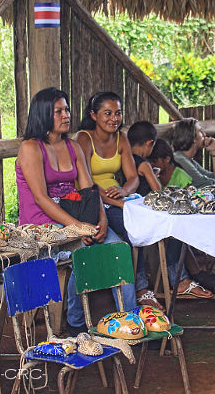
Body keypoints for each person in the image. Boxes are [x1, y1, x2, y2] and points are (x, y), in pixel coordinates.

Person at [15, 87, 135, 334]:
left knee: (118, 249)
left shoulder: (72, 147)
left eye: (67, 109)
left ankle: (130, 320)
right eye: (58, 111)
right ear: (43, 114)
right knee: (84, 251)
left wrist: (101, 220)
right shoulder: (30, 147)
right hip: (42, 224)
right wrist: (79, 228)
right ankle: (76, 323)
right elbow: (41, 198)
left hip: (76, 219)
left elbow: (90, 190)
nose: (66, 115)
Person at [76, 91, 158, 308]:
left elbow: (132, 178)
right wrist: (114, 201)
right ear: (93, 115)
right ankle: (138, 289)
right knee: (131, 231)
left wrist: (123, 191)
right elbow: (84, 180)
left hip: (116, 197)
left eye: (118, 113)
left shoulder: (122, 138)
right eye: (107, 113)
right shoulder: (84, 138)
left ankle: (139, 288)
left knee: (142, 227)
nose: (114, 118)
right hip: (93, 200)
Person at [144, 138, 214, 299]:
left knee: (176, 236)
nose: (152, 165)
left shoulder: (180, 176)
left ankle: (182, 280)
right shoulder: (154, 176)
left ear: (167, 159)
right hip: (164, 224)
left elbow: (191, 200)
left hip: (185, 222)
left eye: (155, 161)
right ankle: (186, 277)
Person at [170, 118, 215, 188]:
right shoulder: (179, 159)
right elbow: (207, 184)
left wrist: (214, 151)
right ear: (193, 138)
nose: (204, 134)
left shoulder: (189, 160)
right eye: (200, 131)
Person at [127, 121, 160, 197]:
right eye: (153, 146)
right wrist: (154, 177)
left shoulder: (125, 158)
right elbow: (158, 191)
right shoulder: (144, 164)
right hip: (141, 203)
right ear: (149, 143)